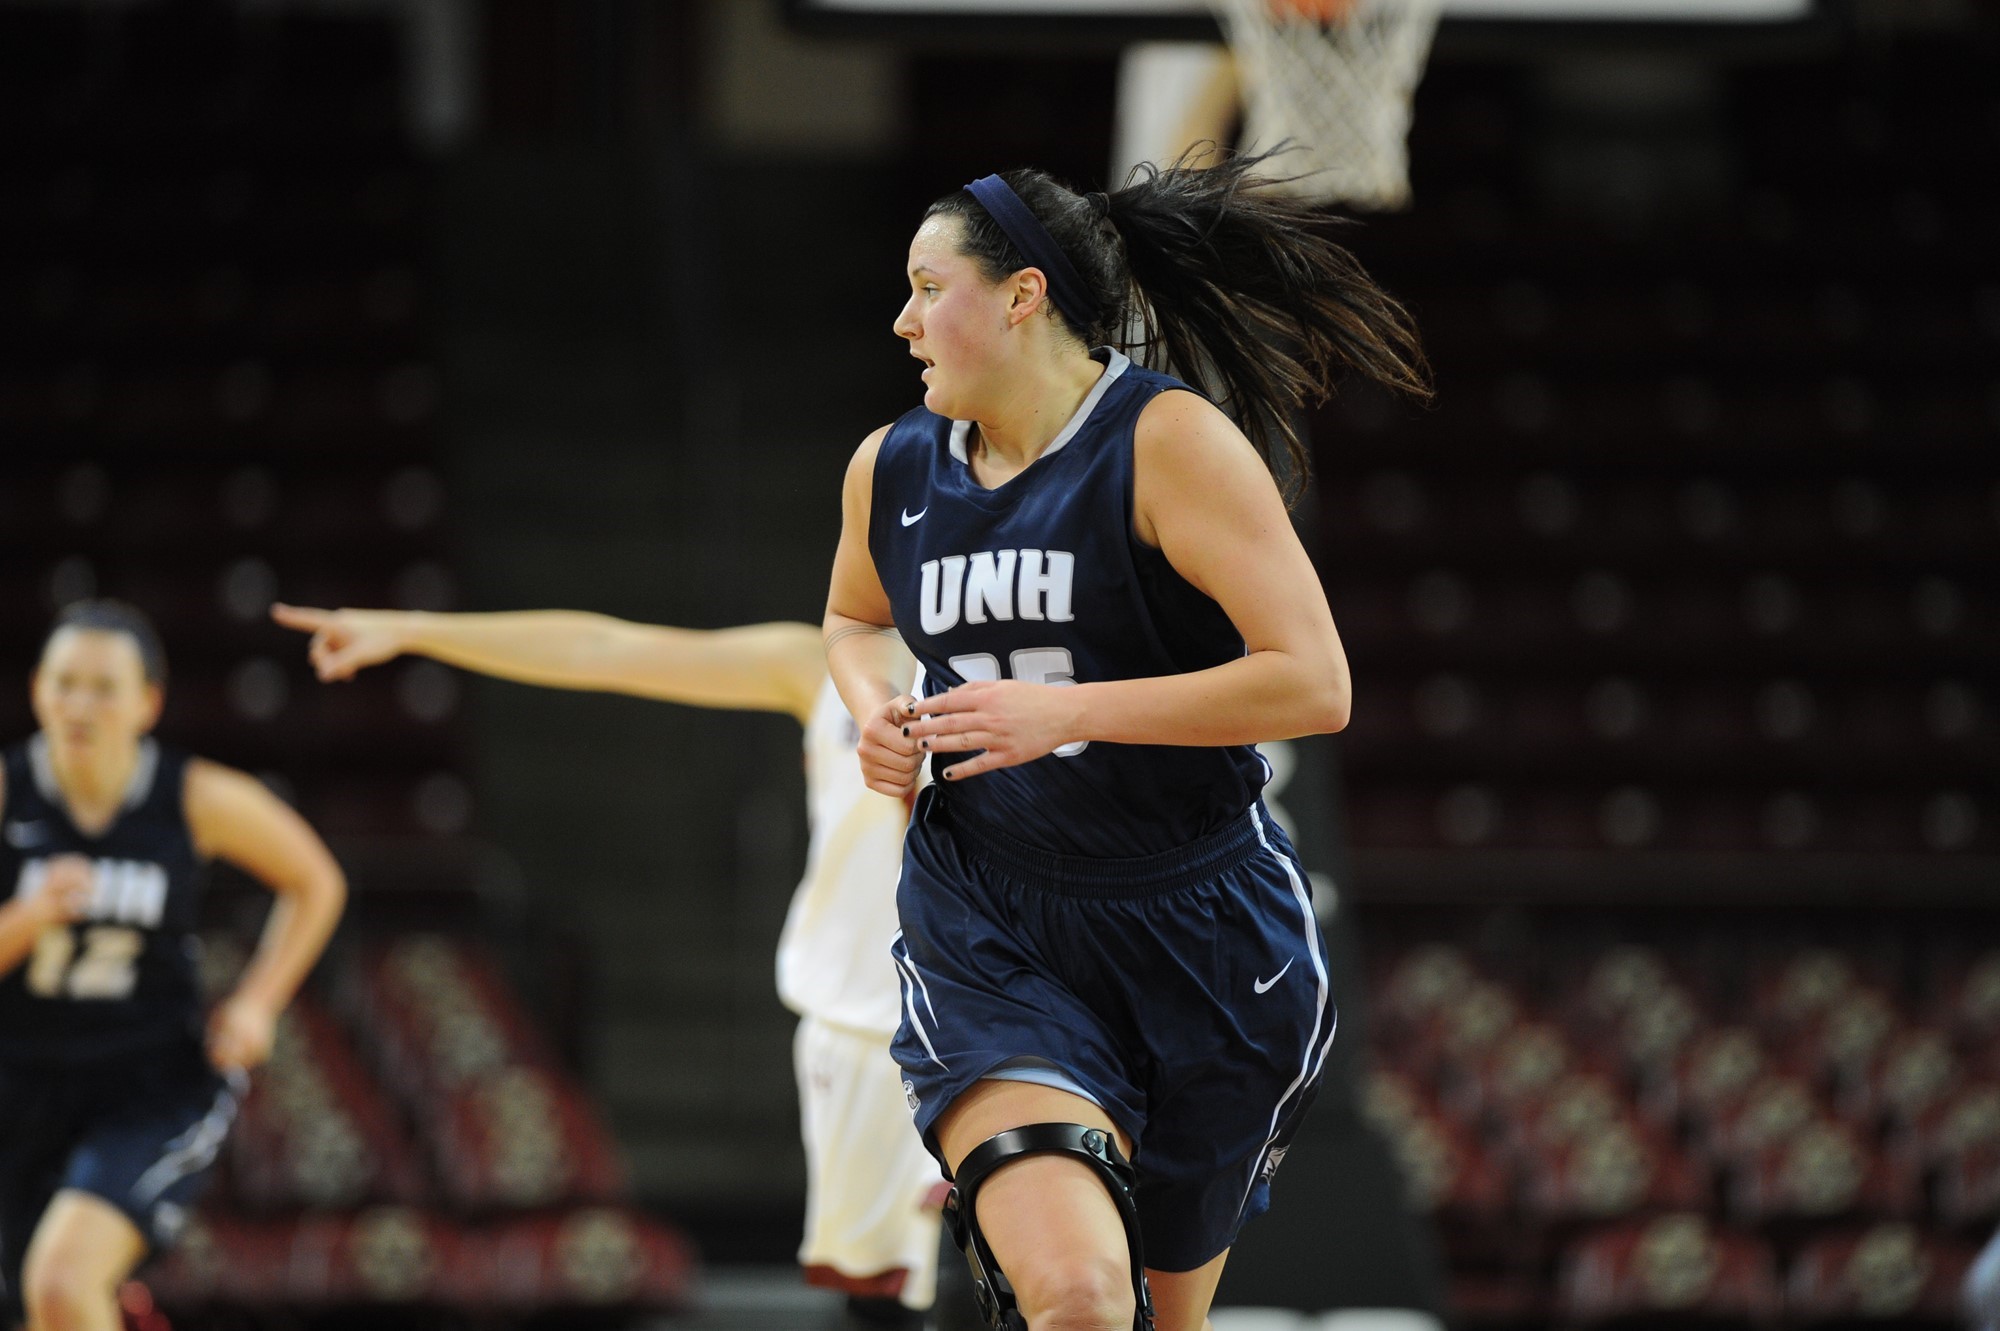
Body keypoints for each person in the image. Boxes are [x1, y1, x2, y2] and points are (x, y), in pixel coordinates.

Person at [821, 150, 1428, 1331]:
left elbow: (1314, 681)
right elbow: (852, 619)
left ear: (1021, 295)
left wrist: (1073, 711)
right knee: (1080, 1296)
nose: (902, 322)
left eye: (924, 285)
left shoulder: (1165, 442)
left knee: (1161, 1314)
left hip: (1201, 920)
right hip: (990, 916)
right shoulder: (889, 466)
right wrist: (873, 706)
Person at [267, 603, 955, 1331]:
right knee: (884, 1304)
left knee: (1019, 1270)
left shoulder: (1057, 667)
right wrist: (416, 631)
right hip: (859, 1029)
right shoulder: (825, 662)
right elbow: (607, 647)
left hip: (1000, 1010)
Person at [0, 600, 347, 1331]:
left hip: (150, 1083)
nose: (79, 703)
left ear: (148, 702)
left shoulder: (193, 797)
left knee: (62, 1283)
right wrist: (23, 920)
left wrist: (258, 1000)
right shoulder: (9, 793)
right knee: (45, 1306)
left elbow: (317, 881)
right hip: (22, 1084)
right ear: (36, 690)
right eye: (64, 682)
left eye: (102, 686)